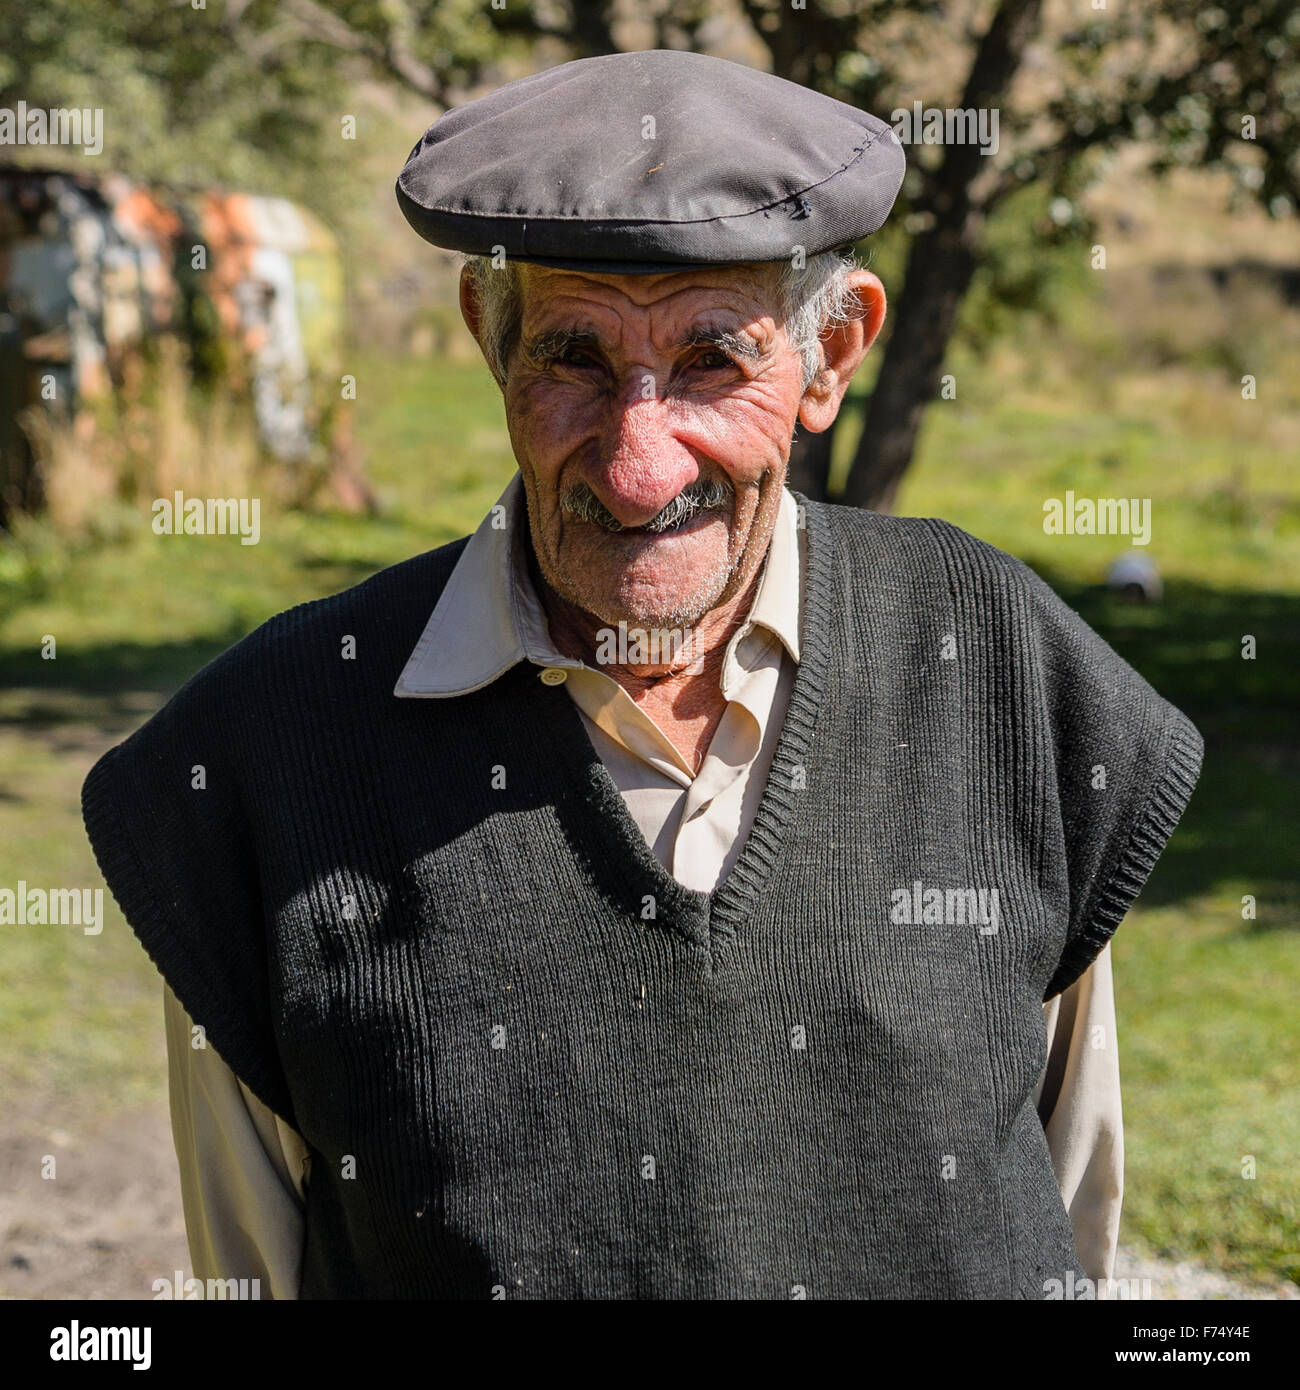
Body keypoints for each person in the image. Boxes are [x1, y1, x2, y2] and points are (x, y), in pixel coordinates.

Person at [83, 49, 1202, 1299]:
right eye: (572, 357)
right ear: (486, 337)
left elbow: (1069, 1226)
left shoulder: (997, 668)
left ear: (833, 354)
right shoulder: (264, 756)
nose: (636, 465)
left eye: (714, 360)